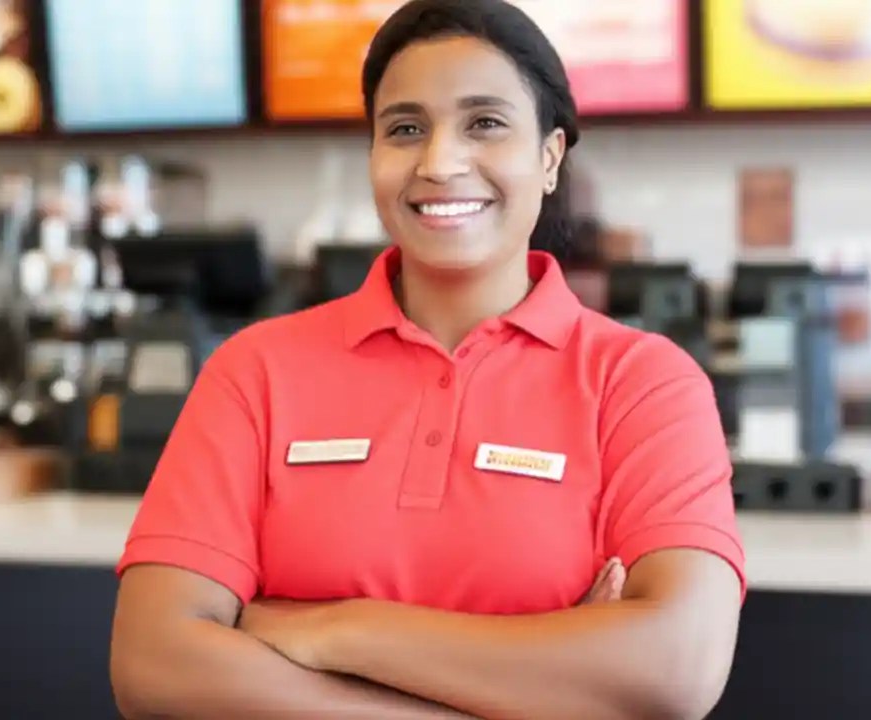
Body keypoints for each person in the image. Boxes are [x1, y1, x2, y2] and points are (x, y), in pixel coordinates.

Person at [110, 1, 744, 717]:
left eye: (485, 123)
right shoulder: (255, 371)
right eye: (405, 128)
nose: (439, 162)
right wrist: (541, 679)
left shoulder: (642, 384)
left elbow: (674, 670)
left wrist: (333, 628)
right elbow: (155, 665)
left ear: (550, 156)